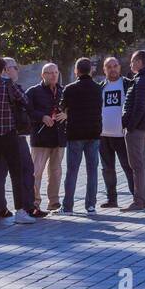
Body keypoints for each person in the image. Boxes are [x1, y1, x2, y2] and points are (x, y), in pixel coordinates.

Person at [0, 55, 37, 225]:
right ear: (3, 70)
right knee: (16, 174)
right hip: (9, 135)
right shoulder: (7, 84)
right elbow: (25, 100)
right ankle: (20, 211)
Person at [61, 57, 103, 216]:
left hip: (75, 134)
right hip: (93, 133)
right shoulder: (98, 88)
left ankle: (68, 206)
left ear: (76, 71)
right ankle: (91, 205)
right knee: (92, 170)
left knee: (72, 171)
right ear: (91, 70)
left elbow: (62, 106)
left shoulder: (70, 88)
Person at [26, 63, 68, 212]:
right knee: (36, 172)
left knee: (56, 172)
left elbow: (71, 109)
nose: (53, 75)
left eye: (56, 72)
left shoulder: (64, 91)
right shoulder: (33, 92)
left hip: (59, 138)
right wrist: (41, 117)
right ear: (43, 75)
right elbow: (27, 111)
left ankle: (54, 202)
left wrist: (66, 115)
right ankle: (34, 202)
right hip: (40, 139)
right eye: (49, 73)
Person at [98, 56, 135, 209]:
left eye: (115, 66)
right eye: (109, 66)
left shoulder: (128, 84)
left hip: (123, 135)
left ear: (119, 67)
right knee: (107, 169)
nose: (112, 69)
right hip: (103, 135)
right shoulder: (100, 87)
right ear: (104, 69)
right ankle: (111, 199)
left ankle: (137, 197)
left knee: (128, 166)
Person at [122, 49, 145, 211]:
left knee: (136, 165)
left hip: (137, 128)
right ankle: (142, 199)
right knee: (141, 164)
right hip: (142, 127)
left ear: (140, 62)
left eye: (133, 61)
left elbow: (139, 107)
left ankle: (139, 201)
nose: (130, 64)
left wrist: (130, 125)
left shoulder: (141, 80)